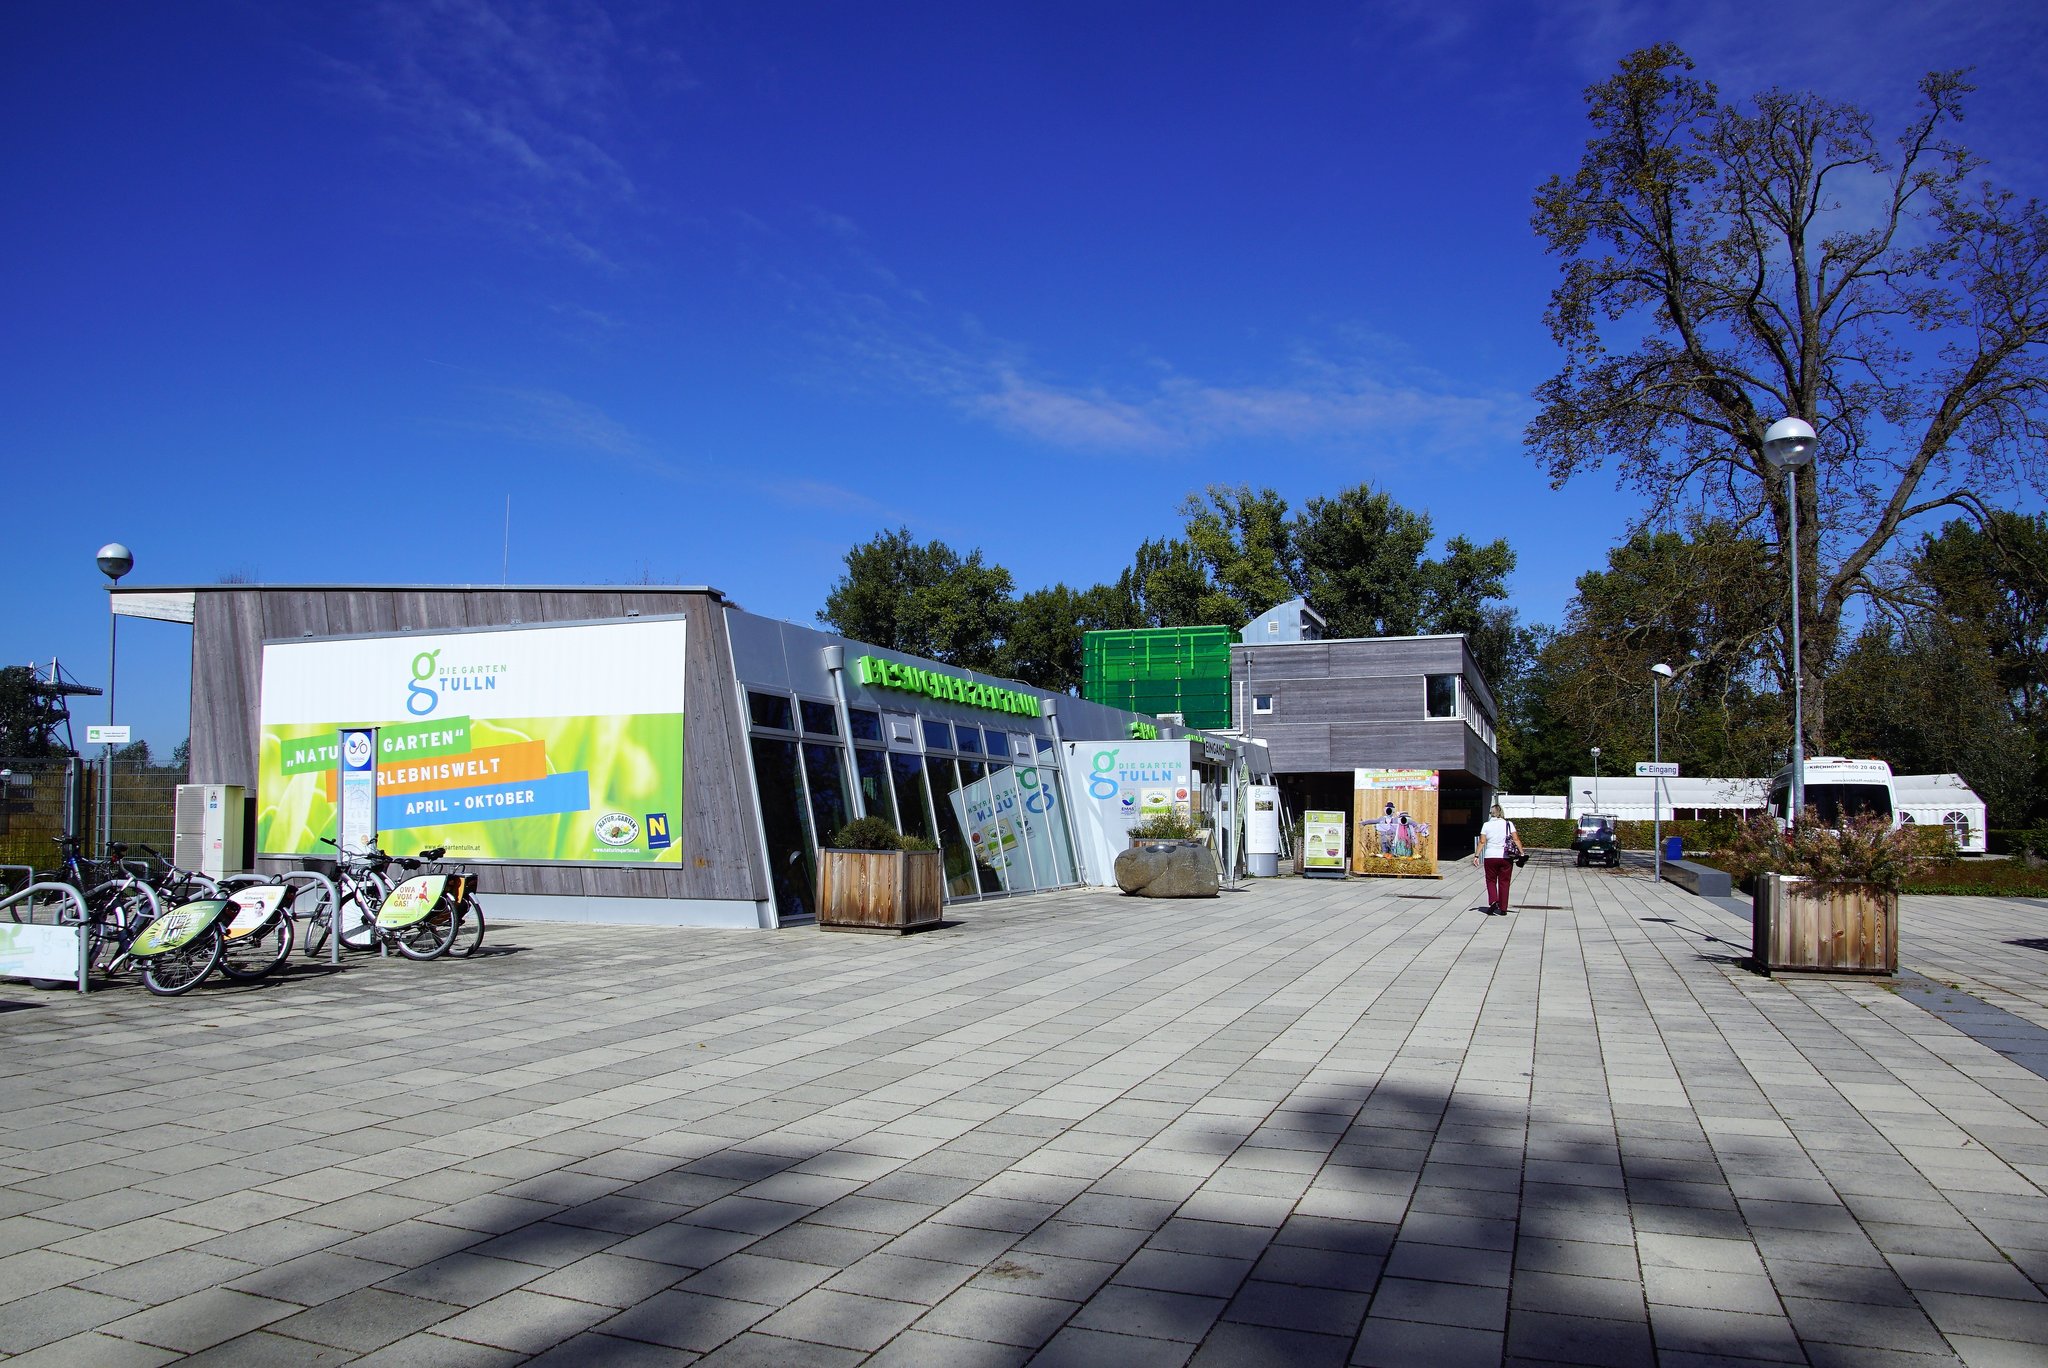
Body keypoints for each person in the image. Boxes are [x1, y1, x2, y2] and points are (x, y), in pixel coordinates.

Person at [1473, 802, 1517, 915]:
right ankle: (1503, 908)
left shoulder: (1486, 825)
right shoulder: (1509, 824)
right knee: (1504, 882)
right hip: (1506, 857)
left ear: (1491, 813)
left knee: (1491, 880)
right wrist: (1521, 853)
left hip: (1490, 856)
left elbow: (1482, 841)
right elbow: (1516, 839)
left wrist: (1476, 855)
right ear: (1501, 813)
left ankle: (1493, 900)